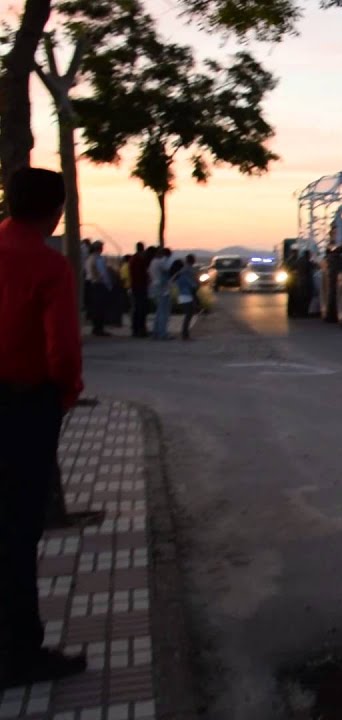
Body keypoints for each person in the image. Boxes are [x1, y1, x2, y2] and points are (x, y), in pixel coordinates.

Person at [0, 167, 88, 688]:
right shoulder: (48, 266)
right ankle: (20, 654)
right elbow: (62, 350)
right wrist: (66, 393)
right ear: (56, 213)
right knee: (17, 531)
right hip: (23, 408)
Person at [83, 240, 111, 337]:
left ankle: (96, 328)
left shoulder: (89, 258)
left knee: (95, 307)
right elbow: (103, 273)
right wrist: (108, 285)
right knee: (100, 308)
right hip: (99, 284)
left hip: (91, 284)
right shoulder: (98, 259)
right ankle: (99, 328)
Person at [171, 258, 200, 341]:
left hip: (182, 296)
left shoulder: (178, 276)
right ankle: (185, 335)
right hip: (187, 296)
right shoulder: (184, 276)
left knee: (188, 316)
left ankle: (185, 334)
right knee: (188, 316)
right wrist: (196, 283)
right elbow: (193, 285)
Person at [127, 244, 151, 338]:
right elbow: (143, 274)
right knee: (141, 309)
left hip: (136, 286)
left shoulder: (133, 259)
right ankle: (140, 329)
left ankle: (137, 329)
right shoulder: (139, 260)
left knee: (137, 309)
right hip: (140, 287)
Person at [150, 247, 173, 340]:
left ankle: (156, 332)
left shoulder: (153, 262)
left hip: (155, 287)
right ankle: (162, 333)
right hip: (162, 289)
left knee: (159, 311)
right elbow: (167, 269)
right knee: (163, 312)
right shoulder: (160, 262)